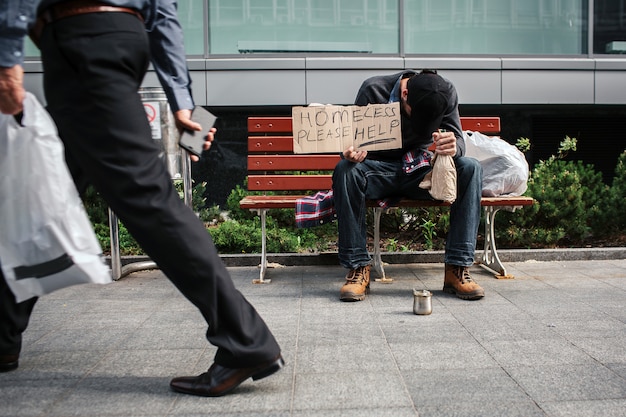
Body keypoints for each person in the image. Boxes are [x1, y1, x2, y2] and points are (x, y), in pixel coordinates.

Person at [0, 0, 283, 397]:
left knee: (148, 197)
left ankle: (245, 342)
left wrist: (7, 52)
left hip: (80, 40)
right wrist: (182, 100)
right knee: (48, 188)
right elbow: (163, 11)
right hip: (112, 39)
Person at [333, 69, 485, 302]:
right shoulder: (373, 89)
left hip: (421, 172)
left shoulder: (446, 91)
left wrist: (454, 147)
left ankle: (457, 269)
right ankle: (357, 268)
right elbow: (351, 140)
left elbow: (459, 140)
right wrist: (352, 152)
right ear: (405, 94)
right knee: (345, 170)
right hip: (378, 170)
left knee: (471, 167)